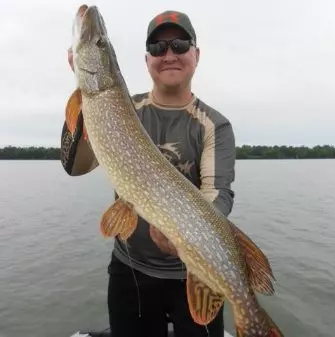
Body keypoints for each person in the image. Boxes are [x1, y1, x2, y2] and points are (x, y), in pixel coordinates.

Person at [61, 9, 236, 337]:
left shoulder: (214, 124)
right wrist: (84, 100)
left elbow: (218, 193)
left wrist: (189, 240)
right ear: (147, 60)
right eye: (158, 48)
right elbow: (76, 166)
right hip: (130, 273)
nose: (169, 54)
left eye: (180, 44)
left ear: (196, 54)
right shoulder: (125, 109)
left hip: (194, 273)